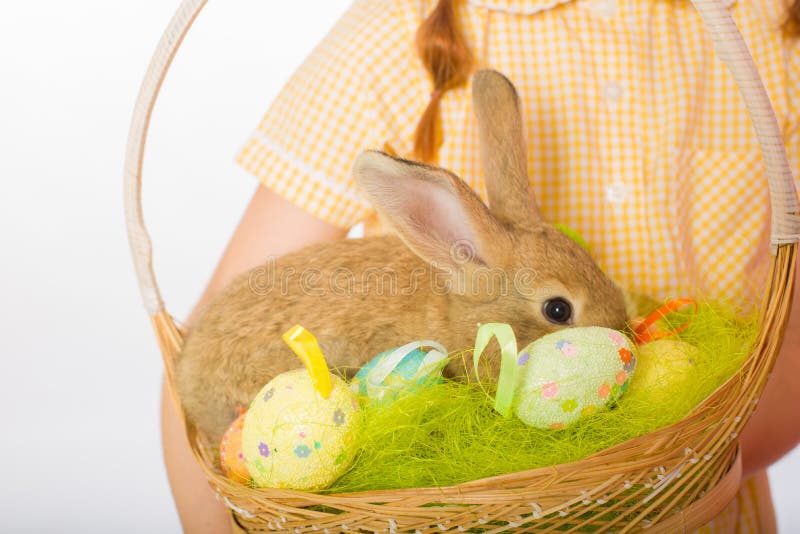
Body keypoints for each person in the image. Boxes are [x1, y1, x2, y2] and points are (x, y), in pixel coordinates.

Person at [161, 0, 800, 531]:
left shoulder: (773, 32)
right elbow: (199, 375)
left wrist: (668, 460)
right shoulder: (393, 36)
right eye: (558, 313)